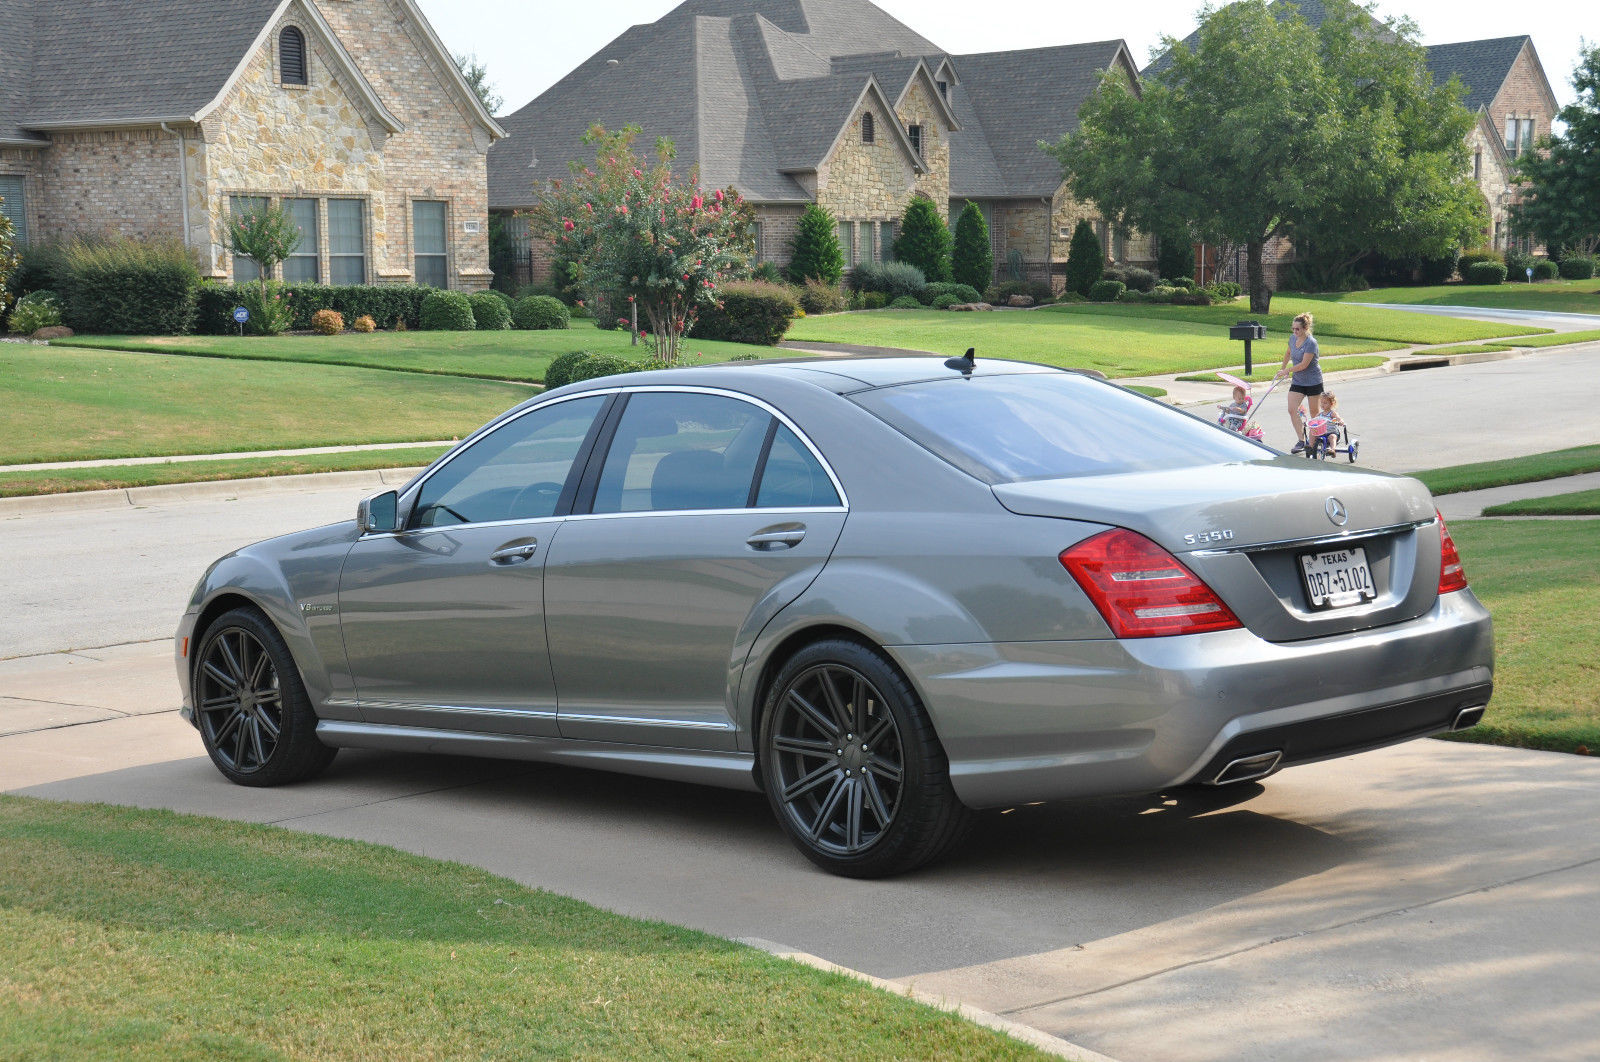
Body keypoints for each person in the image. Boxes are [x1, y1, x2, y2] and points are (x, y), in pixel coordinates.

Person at [1274, 312, 1321, 453]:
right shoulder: (1292, 338)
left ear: (1305, 328)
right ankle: (1302, 440)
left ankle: (1315, 440)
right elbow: (1288, 353)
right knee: (1291, 409)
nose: (1295, 331)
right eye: (1293, 328)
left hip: (1313, 381)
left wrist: (1288, 370)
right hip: (1298, 381)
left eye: (1297, 329)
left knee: (1314, 413)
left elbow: (1303, 365)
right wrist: (1283, 369)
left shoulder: (1311, 343)